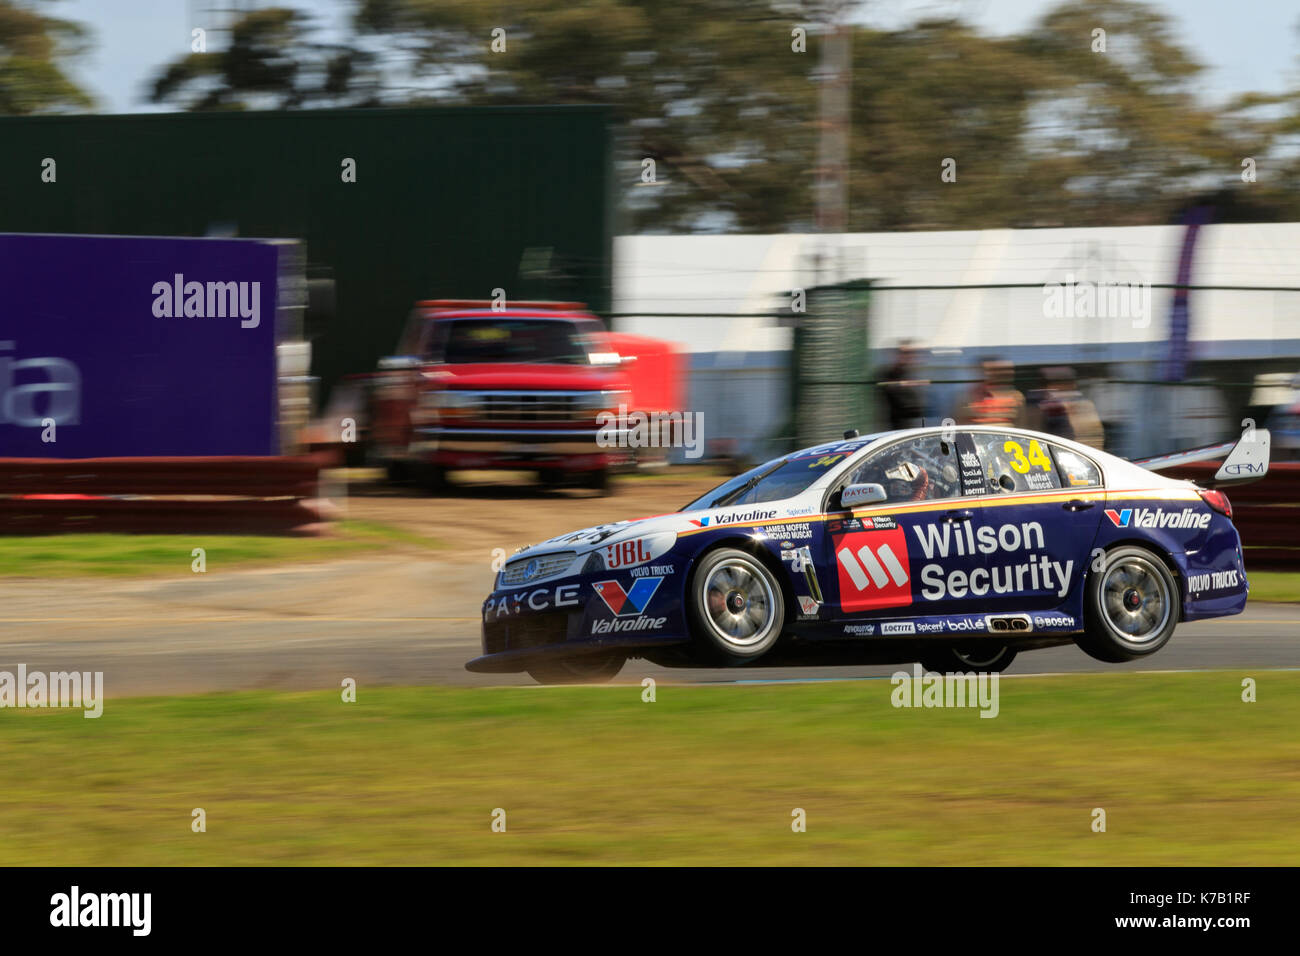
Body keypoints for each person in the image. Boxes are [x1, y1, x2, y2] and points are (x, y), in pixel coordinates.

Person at [960, 357, 1027, 427]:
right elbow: (961, 426)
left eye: (994, 370)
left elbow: (1023, 427)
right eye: (985, 371)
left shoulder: (1015, 397)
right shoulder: (966, 397)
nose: (989, 374)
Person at [879, 340, 928, 429]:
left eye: (911, 353)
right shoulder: (889, 374)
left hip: (909, 426)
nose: (910, 357)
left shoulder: (909, 373)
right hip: (896, 427)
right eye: (905, 353)